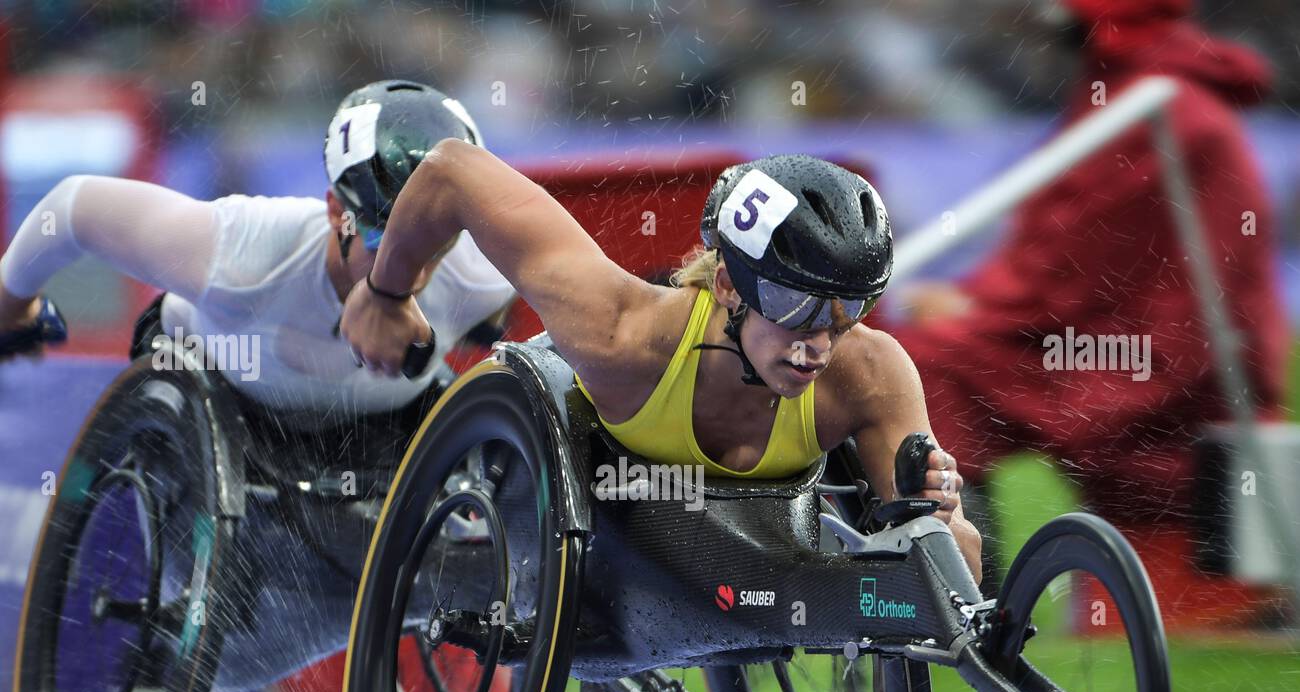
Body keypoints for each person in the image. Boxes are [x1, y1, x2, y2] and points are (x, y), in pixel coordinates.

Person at [340, 147, 983, 581]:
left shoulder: (870, 373)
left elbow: (959, 579)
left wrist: (939, 523)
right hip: (582, 476)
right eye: (792, 303)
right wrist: (386, 291)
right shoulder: (618, 333)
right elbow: (452, 168)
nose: (817, 340)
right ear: (728, 285)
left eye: (845, 308)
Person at [893, 0, 1287, 581]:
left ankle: (958, 589)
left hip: (1166, 365)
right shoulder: (1146, 94)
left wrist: (980, 306)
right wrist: (984, 301)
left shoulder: (1158, 108)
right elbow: (1072, 251)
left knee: (925, 365)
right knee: (928, 351)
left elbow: (1074, 263)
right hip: (1149, 344)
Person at [0, 80, 516, 418]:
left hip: (381, 419)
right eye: (384, 234)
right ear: (337, 210)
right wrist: (11, 306)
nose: (414, 264)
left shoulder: (484, 272)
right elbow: (73, 208)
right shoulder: (243, 252)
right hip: (219, 389)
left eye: (436, 240)